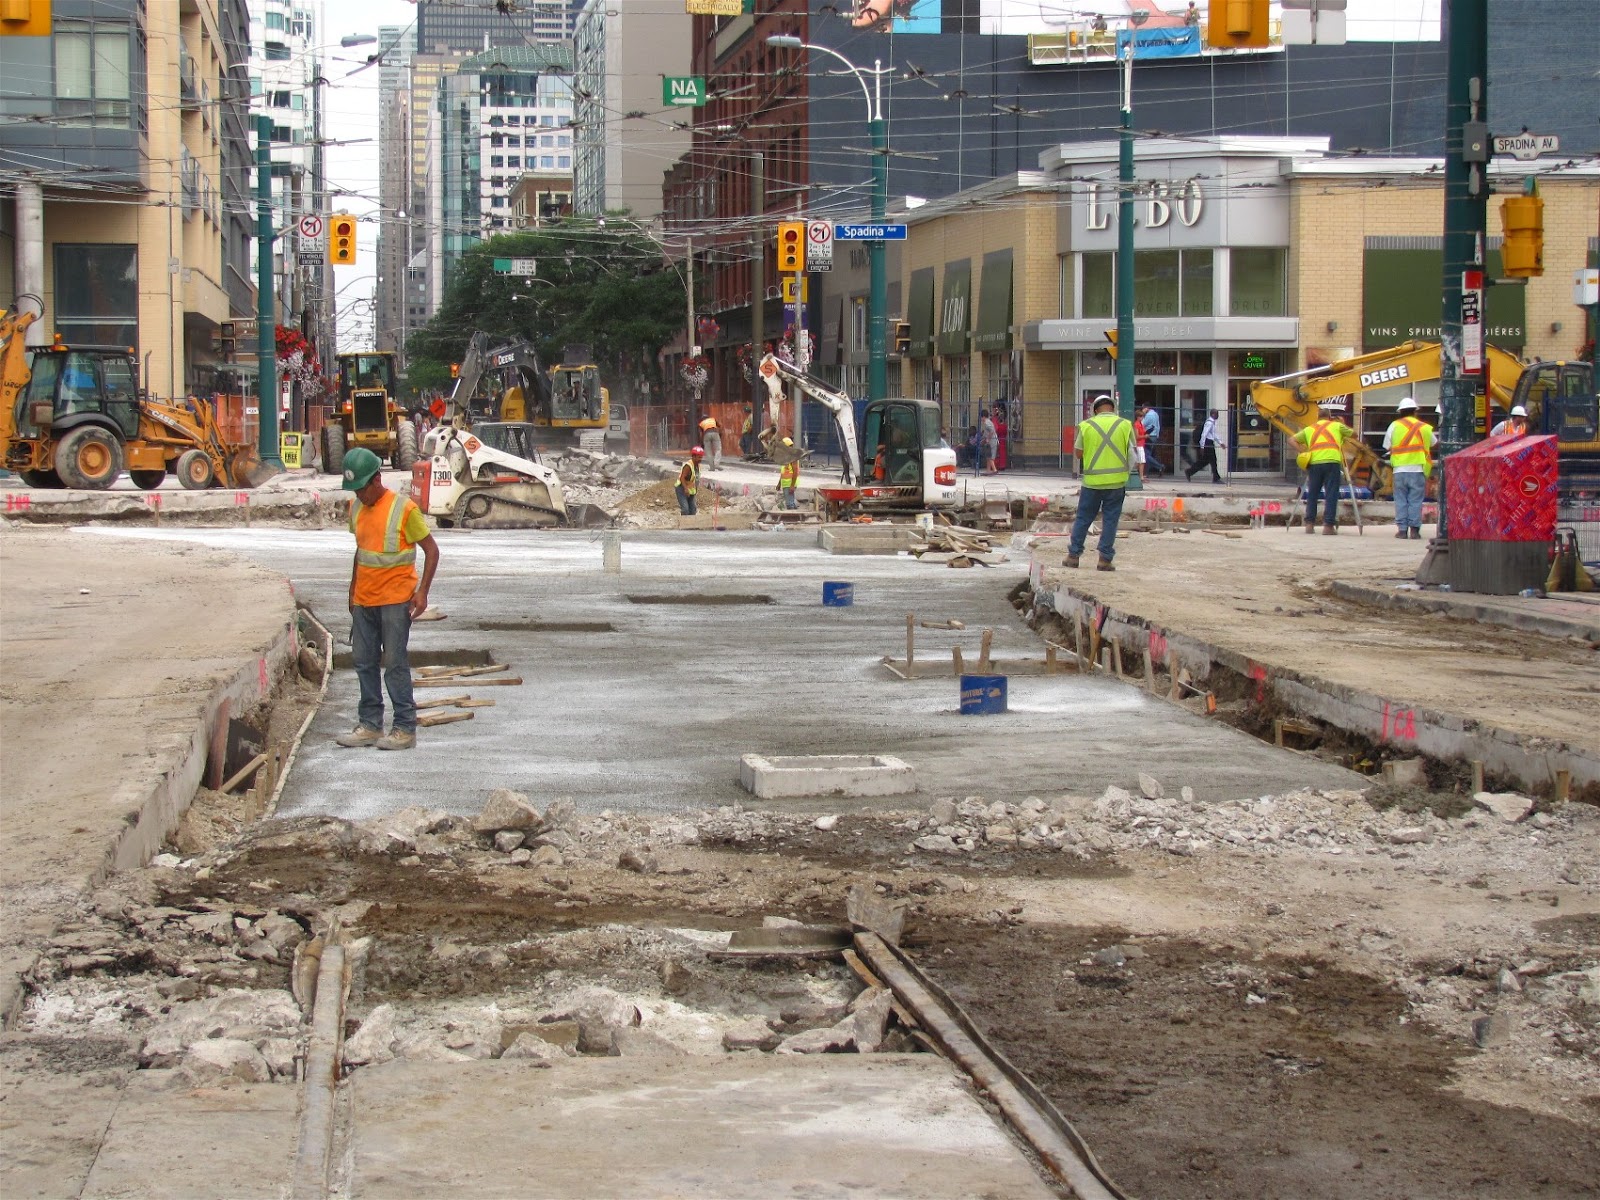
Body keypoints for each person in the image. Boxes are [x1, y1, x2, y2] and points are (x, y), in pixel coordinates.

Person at [336, 447, 440, 752]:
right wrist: (353, 591)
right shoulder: (356, 509)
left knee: (394, 663)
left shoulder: (404, 509)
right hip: (365, 600)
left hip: (395, 601)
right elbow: (361, 552)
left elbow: (432, 550)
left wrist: (422, 592)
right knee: (363, 662)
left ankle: (405, 728)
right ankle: (370, 724)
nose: (359, 495)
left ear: (377, 480)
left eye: (362, 489)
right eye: (354, 490)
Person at [1066, 395, 1134, 572]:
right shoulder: (1125, 425)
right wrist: (1125, 473)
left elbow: (1078, 454)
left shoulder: (1087, 426)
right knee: (1110, 521)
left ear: (1095, 410)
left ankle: (1073, 556)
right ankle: (1104, 559)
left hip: (1092, 483)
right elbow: (1133, 455)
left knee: (1083, 518)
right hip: (1116, 483)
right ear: (1113, 408)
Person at [1293, 401, 1354, 535]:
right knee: (1331, 494)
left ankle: (1309, 524)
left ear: (1318, 417)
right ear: (1329, 417)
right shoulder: (1337, 426)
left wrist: (1303, 451)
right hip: (1332, 462)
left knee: (1313, 494)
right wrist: (1343, 425)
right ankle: (1328, 526)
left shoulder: (1310, 429)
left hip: (1314, 463)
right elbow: (1353, 434)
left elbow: (1292, 440)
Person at [1384, 395, 1434, 541]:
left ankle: (1402, 530)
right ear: (1415, 411)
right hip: (1418, 469)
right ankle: (1414, 531)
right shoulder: (1424, 427)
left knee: (1400, 500)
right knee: (1415, 501)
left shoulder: (1394, 426)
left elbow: (1387, 446)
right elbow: (1433, 442)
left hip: (1399, 470)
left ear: (1400, 412)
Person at [1186, 409, 1224, 483]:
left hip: (1208, 443)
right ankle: (1216, 478)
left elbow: (1214, 435)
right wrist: (1202, 446)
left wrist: (1220, 442)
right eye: (1217, 414)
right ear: (1213, 414)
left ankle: (1189, 472)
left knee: (1204, 461)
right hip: (1208, 443)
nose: (1218, 415)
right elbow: (1204, 434)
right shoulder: (1209, 423)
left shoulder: (1212, 423)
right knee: (1213, 460)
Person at [676, 446, 703, 515]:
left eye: (701, 457)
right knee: (685, 509)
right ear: (693, 456)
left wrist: (695, 490)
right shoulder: (688, 466)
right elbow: (682, 478)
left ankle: (691, 525)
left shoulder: (697, 466)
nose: (701, 459)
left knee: (693, 509)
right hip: (682, 488)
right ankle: (684, 524)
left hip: (691, 490)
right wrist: (685, 489)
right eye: (699, 457)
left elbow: (695, 479)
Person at [1140, 403, 1164, 475]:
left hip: (1149, 436)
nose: (1142, 410)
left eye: (1143, 409)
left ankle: (1160, 466)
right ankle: (1146, 473)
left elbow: (1142, 424)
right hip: (1154, 436)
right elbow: (1158, 425)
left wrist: (1143, 416)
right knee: (1149, 454)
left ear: (1146, 408)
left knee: (1146, 455)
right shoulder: (1155, 414)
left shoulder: (1148, 415)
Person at [777, 439, 799, 509]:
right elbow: (783, 472)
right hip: (785, 484)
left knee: (789, 504)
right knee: (790, 502)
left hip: (789, 484)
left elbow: (795, 472)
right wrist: (779, 483)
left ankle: (792, 518)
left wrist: (792, 485)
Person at [1133, 403, 1149, 482]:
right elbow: (1137, 436)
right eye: (1141, 416)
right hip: (1139, 445)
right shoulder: (1136, 424)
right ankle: (1141, 476)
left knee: (1140, 461)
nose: (1142, 418)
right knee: (1141, 461)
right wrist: (1145, 436)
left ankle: (1141, 476)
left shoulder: (1140, 424)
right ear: (1137, 417)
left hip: (1141, 444)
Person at [979, 408, 998, 474]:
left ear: (983, 416)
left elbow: (992, 431)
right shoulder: (988, 422)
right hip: (990, 441)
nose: (981, 419)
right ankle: (988, 470)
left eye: (981, 417)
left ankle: (994, 470)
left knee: (990, 456)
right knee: (988, 456)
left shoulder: (987, 423)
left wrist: (988, 439)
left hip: (991, 442)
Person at [992, 405, 1009, 471]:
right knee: (1002, 453)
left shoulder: (997, 424)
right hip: (1003, 440)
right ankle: (1002, 465)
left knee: (997, 453)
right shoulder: (1005, 425)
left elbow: (996, 430)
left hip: (998, 439)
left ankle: (997, 465)